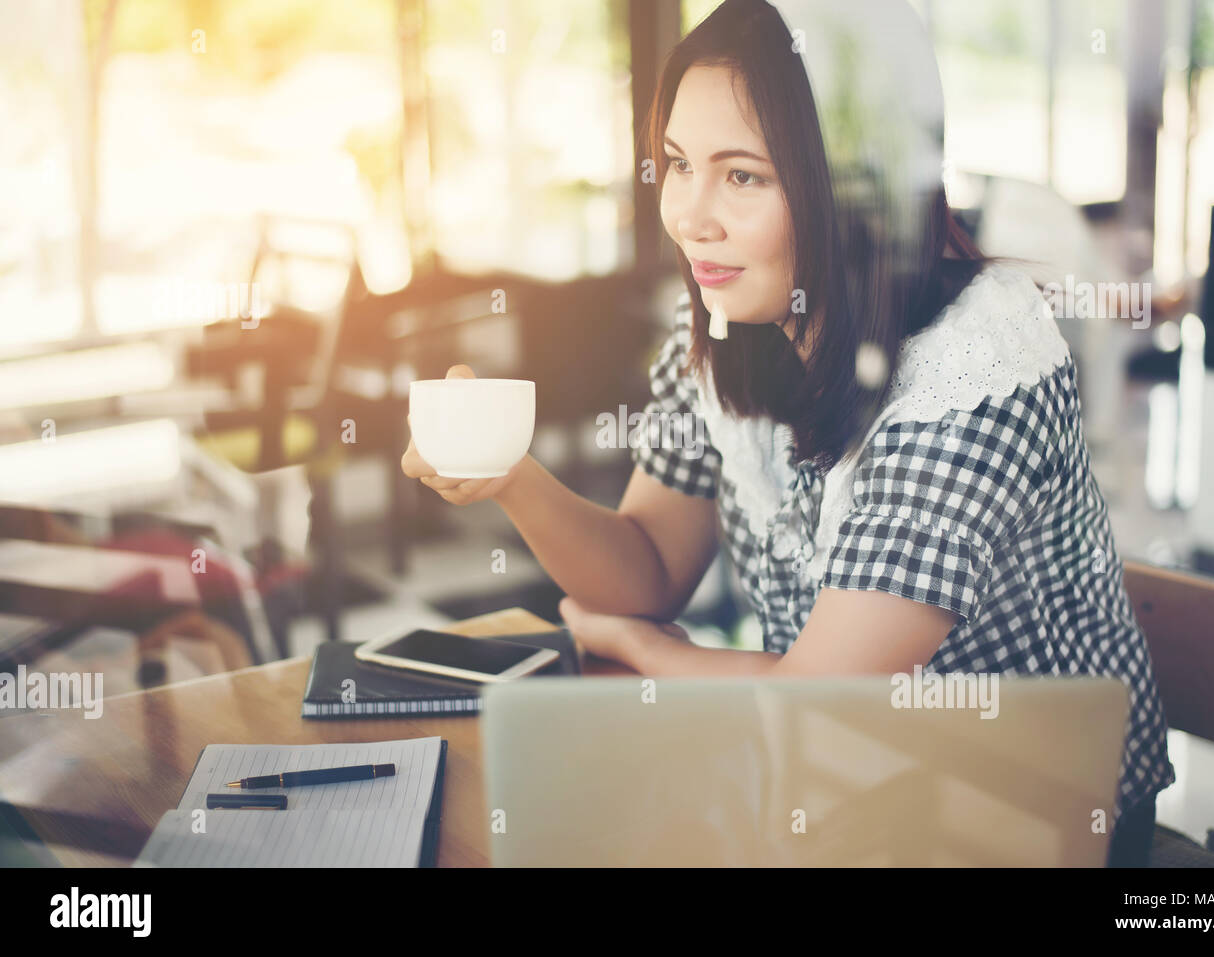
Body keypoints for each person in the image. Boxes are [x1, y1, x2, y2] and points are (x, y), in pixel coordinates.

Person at [401, 0, 1173, 865]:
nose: (691, 215)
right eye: (678, 164)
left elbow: (820, 693)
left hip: (1034, 819)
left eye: (742, 176)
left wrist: (642, 650)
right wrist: (511, 475)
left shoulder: (974, 373)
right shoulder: (741, 324)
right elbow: (646, 569)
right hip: (860, 781)